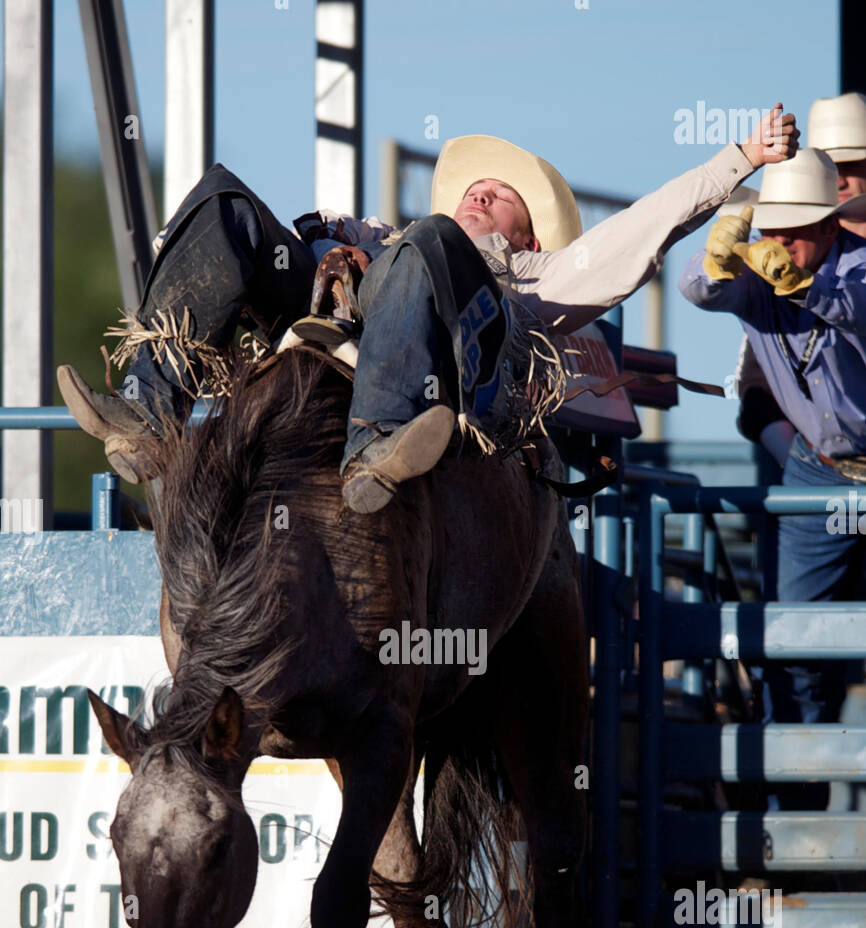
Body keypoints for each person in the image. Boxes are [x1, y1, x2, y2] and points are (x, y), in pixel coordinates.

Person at [59, 109, 797, 514]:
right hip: (344, 312)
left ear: (529, 232)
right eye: (475, 186)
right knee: (224, 199)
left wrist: (738, 158)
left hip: (456, 365)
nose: (481, 192)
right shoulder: (385, 238)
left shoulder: (545, 278)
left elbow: (647, 223)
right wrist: (332, 252)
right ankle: (151, 410)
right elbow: (318, 236)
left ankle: (378, 443)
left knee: (430, 244)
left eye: (500, 195)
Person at [679, 148, 866, 810]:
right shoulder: (764, 269)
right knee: (791, 647)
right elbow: (698, 290)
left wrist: (807, 289)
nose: (778, 240)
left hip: (824, 474)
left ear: (829, 224)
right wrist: (723, 244)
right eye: (771, 226)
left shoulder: (858, 269)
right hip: (819, 474)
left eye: (794, 228)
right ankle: (801, 831)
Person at [737, 93, 866, 461]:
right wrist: (799, 463)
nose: (838, 177)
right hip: (817, 468)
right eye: (826, 166)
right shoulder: (784, 259)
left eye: (851, 163)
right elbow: (756, 388)